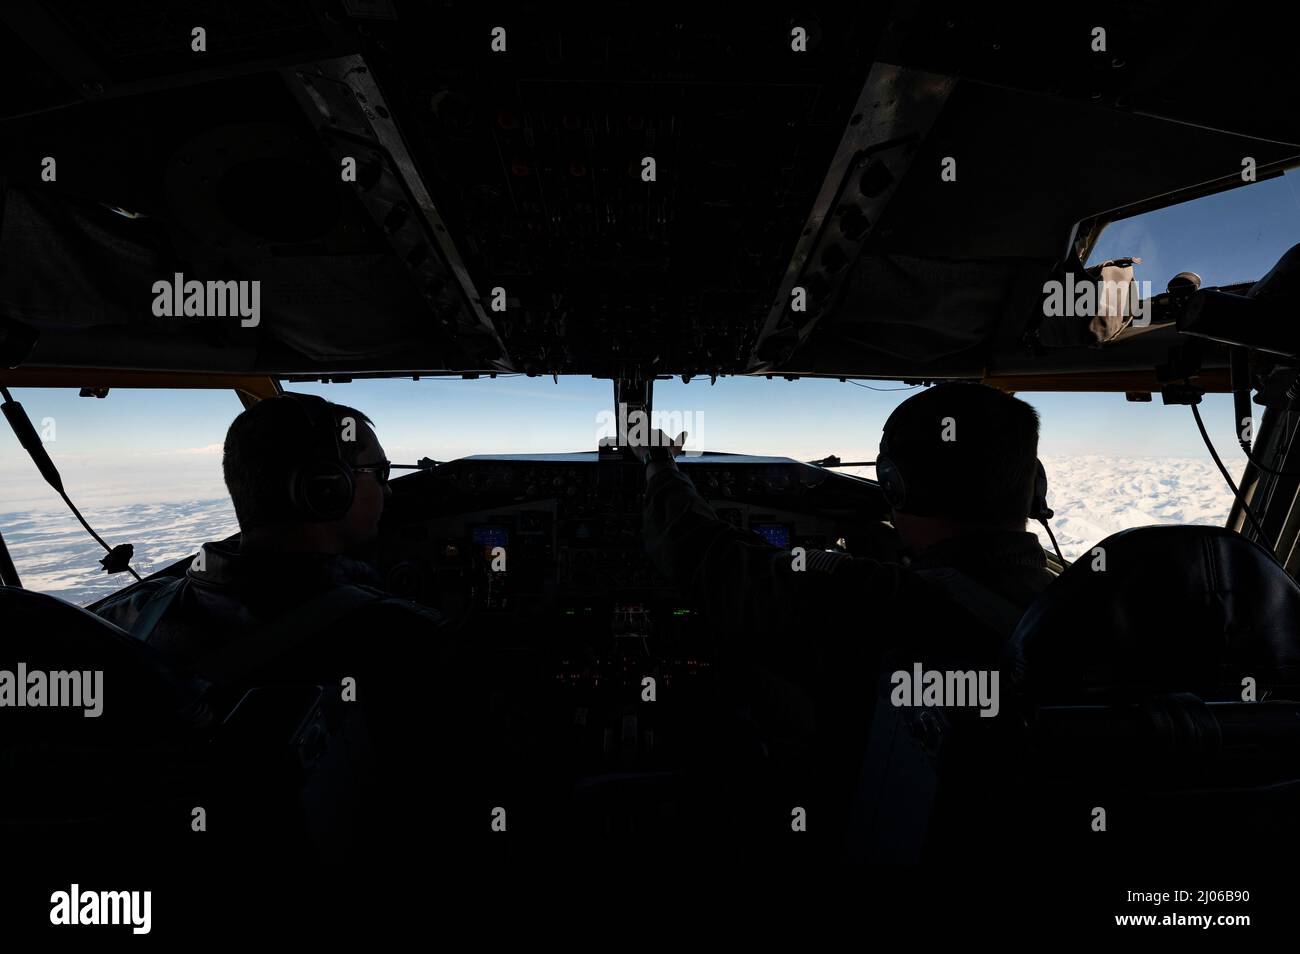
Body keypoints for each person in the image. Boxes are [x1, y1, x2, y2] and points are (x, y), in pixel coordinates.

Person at [631, 381, 1058, 826]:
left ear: (896, 485)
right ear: (1035, 486)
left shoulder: (875, 602)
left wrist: (660, 465)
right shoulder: (1072, 599)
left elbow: (707, 558)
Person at [95, 392, 456, 709]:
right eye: (380, 472)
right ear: (326, 488)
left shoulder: (134, 611)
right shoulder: (403, 641)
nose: (388, 491)